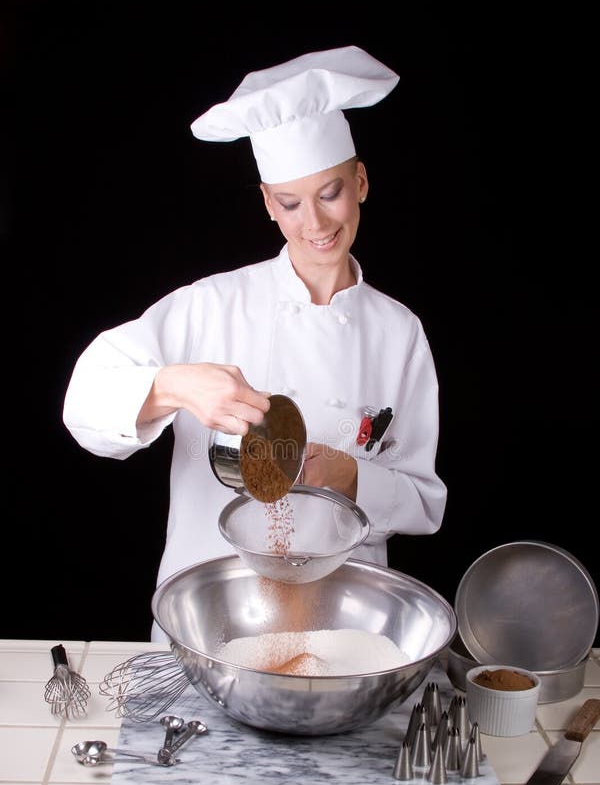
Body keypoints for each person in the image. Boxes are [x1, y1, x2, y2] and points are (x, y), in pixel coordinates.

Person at [63, 46, 448, 642]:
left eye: (331, 192)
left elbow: (425, 503)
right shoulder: (209, 306)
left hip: (343, 630)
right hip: (211, 626)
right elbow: (83, 402)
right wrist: (171, 385)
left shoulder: (400, 333)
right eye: (291, 203)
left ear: (362, 182)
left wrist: (351, 475)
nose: (316, 224)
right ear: (268, 204)